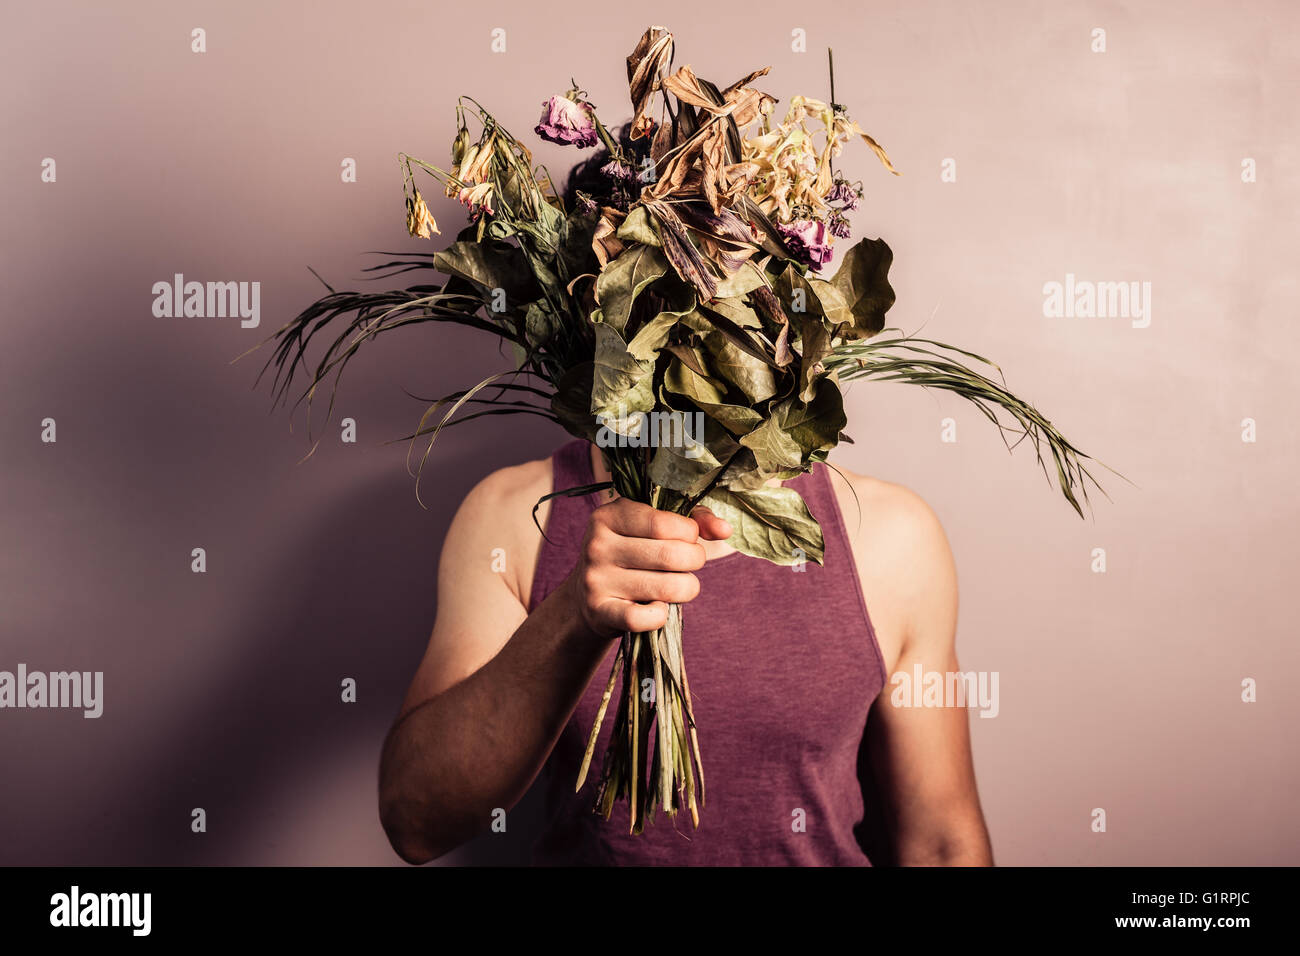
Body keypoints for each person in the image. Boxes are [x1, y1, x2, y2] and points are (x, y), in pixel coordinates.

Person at [377, 434, 995, 866]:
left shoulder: (890, 533)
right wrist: (575, 610)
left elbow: (942, 844)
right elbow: (416, 822)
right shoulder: (514, 515)